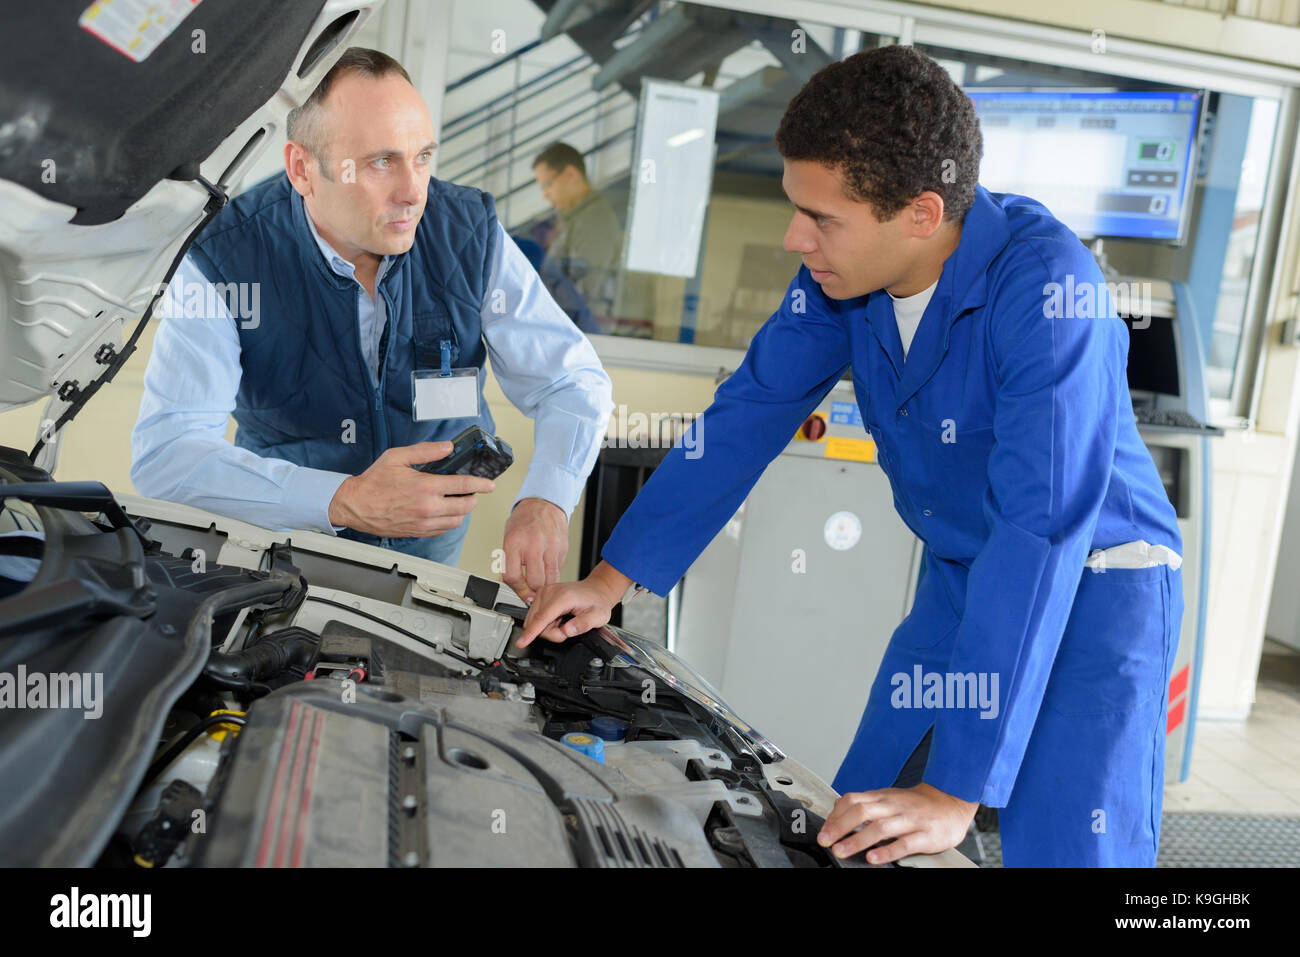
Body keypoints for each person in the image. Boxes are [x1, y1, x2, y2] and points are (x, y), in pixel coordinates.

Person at [518, 45, 1184, 867]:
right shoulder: (840, 280)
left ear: (921, 214)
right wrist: (608, 581)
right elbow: (747, 414)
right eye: (797, 206)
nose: (797, 237)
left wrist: (956, 791)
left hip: (1095, 583)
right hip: (963, 576)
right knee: (851, 822)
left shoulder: (1048, 290)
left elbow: (1040, 527)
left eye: (823, 217)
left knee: (1067, 846)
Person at [131, 48, 613, 601]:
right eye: (382, 162)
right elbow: (167, 455)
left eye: (423, 156)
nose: (414, 191)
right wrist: (346, 498)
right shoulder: (224, 256)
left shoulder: (466, 232)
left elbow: (571, 382)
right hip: (283, 550)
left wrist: (546, 501)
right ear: (301, 169)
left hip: (430, 552)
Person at [531, 142, 623, 320]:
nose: (545, 194)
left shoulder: (594, 222)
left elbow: (585, 295)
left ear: (570, 174)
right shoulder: (574, 218)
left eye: (547, 185)